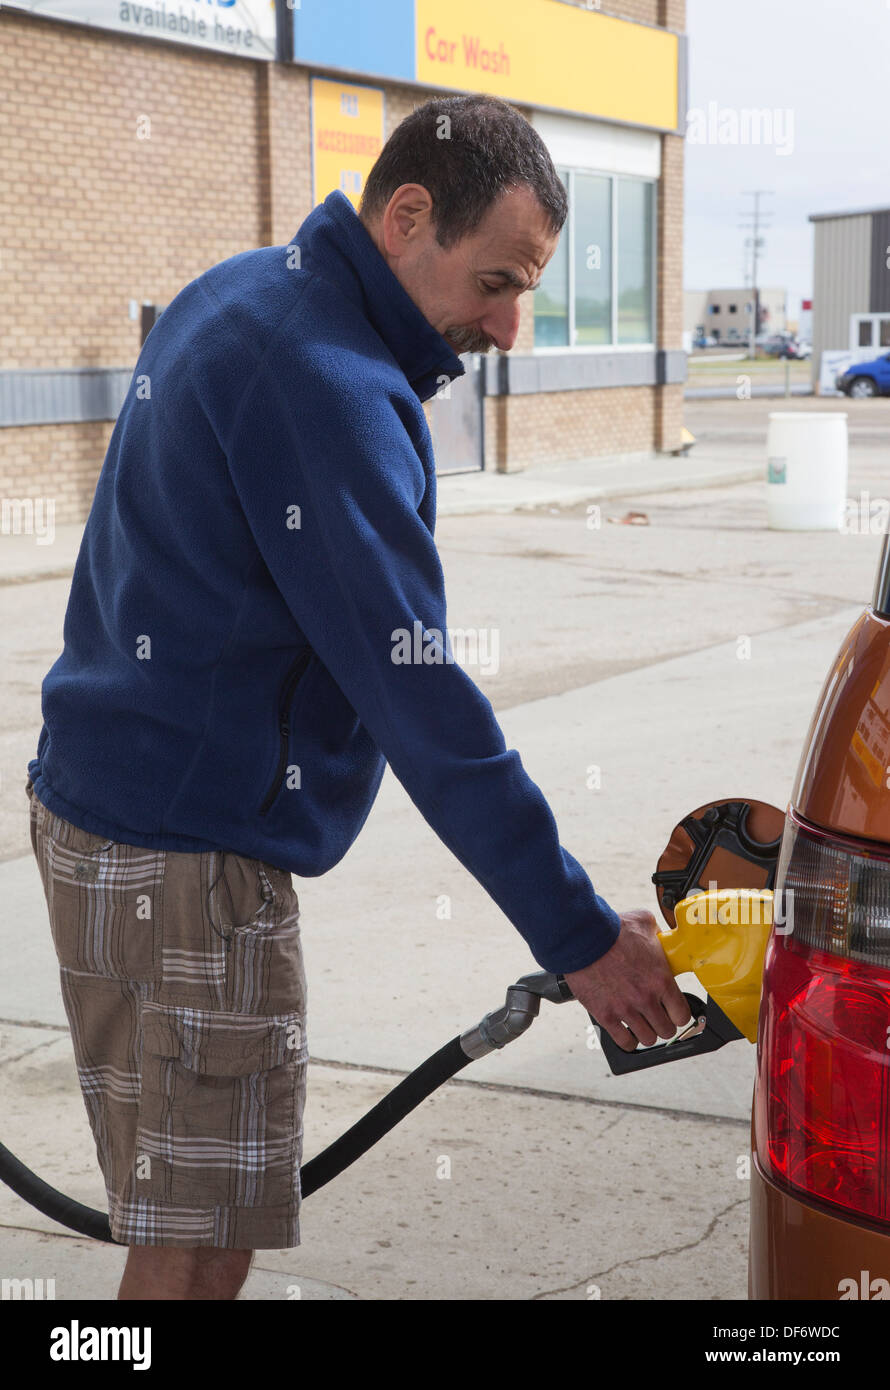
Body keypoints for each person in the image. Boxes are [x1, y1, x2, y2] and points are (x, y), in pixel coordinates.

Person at [25, 92, 691, 1301]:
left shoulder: (246, 289)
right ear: (406, 216)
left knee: (188, 1217)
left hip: (113, 817)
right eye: (494, 279)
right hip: (183, 872)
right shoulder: (320, 379)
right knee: (193, 1247)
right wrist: (579, 936)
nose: (506, 322)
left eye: (526, 287)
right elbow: (419, 698)